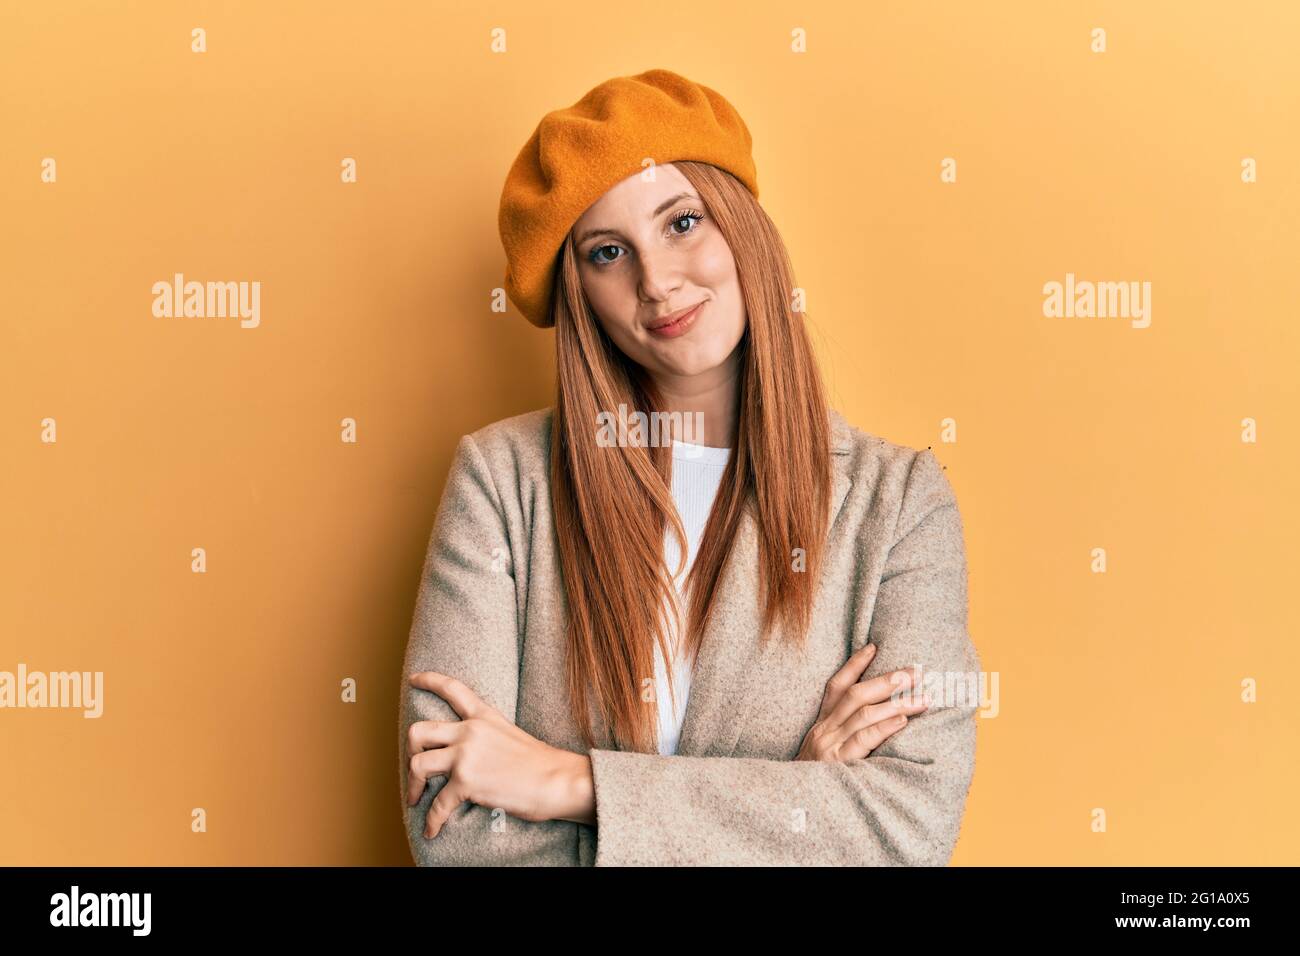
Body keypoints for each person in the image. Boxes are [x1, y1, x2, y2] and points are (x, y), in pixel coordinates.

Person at [398, 68, 980, 866]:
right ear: (581, 293)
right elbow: (455, 838)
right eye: (608, 253)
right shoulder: (501, 484)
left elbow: (907, 830)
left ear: (742, 225)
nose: (658, 282)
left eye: (683, 222)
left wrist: (574, 784)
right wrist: (800, 798)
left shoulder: (901, 503)